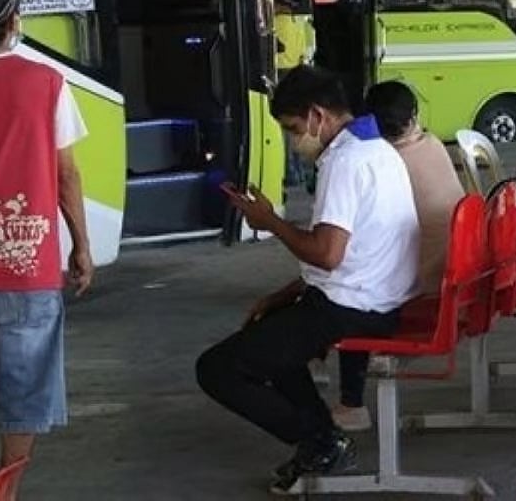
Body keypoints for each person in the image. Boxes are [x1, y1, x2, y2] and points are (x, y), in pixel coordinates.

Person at [195, 66, 421, 493]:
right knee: (271, 333)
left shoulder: (346, 161)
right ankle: (320, 437)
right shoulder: (376, 149)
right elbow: (353, 251)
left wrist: (270, 222)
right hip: (377, 297)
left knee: (216, 369)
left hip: (355, 307)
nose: (294, 140)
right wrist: (284, 292)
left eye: (294, 128)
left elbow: (327, 254)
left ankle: (319, 439)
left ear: (318, 116)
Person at [0, 0, 94, 501]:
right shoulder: (46, 82)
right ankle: (5, 492)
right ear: (14, 19)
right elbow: (66, 173)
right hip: (28, 264)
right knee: (23, 392)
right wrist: (82, 249)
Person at [332, 81, 465, 432]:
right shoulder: (433, 144)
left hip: (426, 287)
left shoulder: (383, 163)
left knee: (353, 295)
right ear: (414, 116)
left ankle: (351, 404)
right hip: (458, 276)